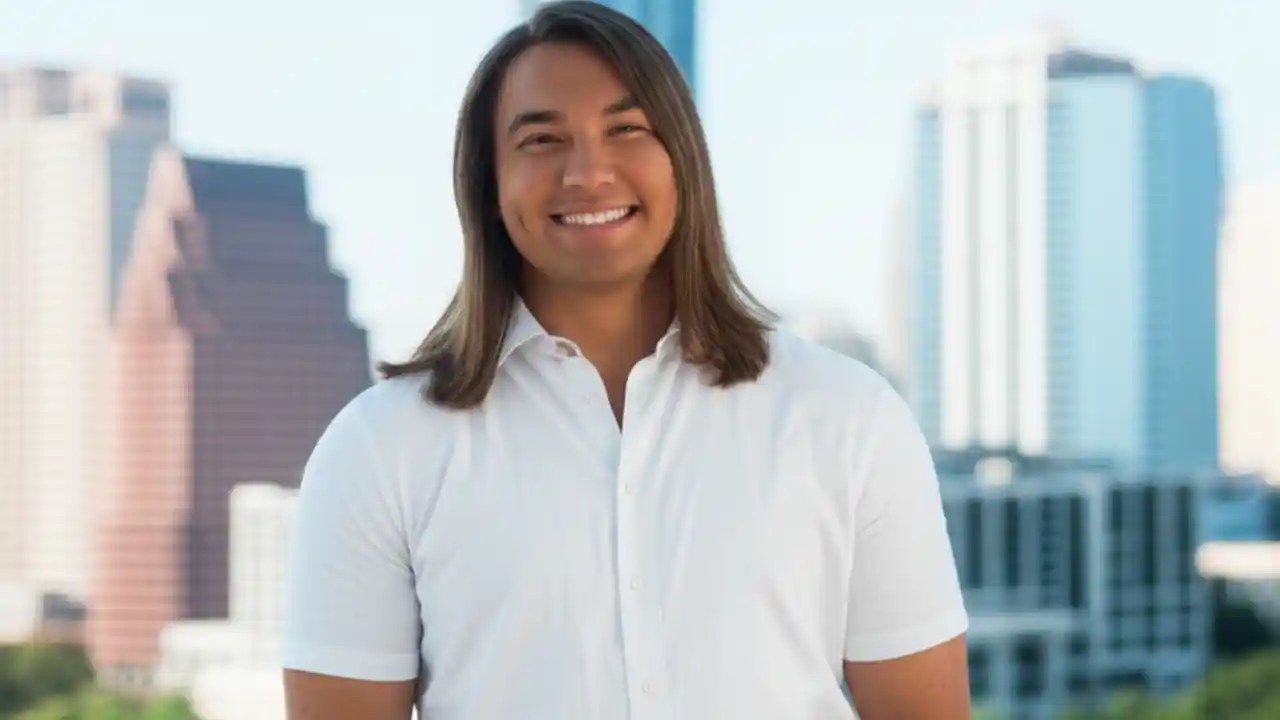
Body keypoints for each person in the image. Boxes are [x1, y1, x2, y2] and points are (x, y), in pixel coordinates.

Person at [281, 2, 970, 718]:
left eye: (628, 129)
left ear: (684, 160)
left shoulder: (849, 419)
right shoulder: (378, 449)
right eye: (542, 138)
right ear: (489, 183)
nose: (588, 171)